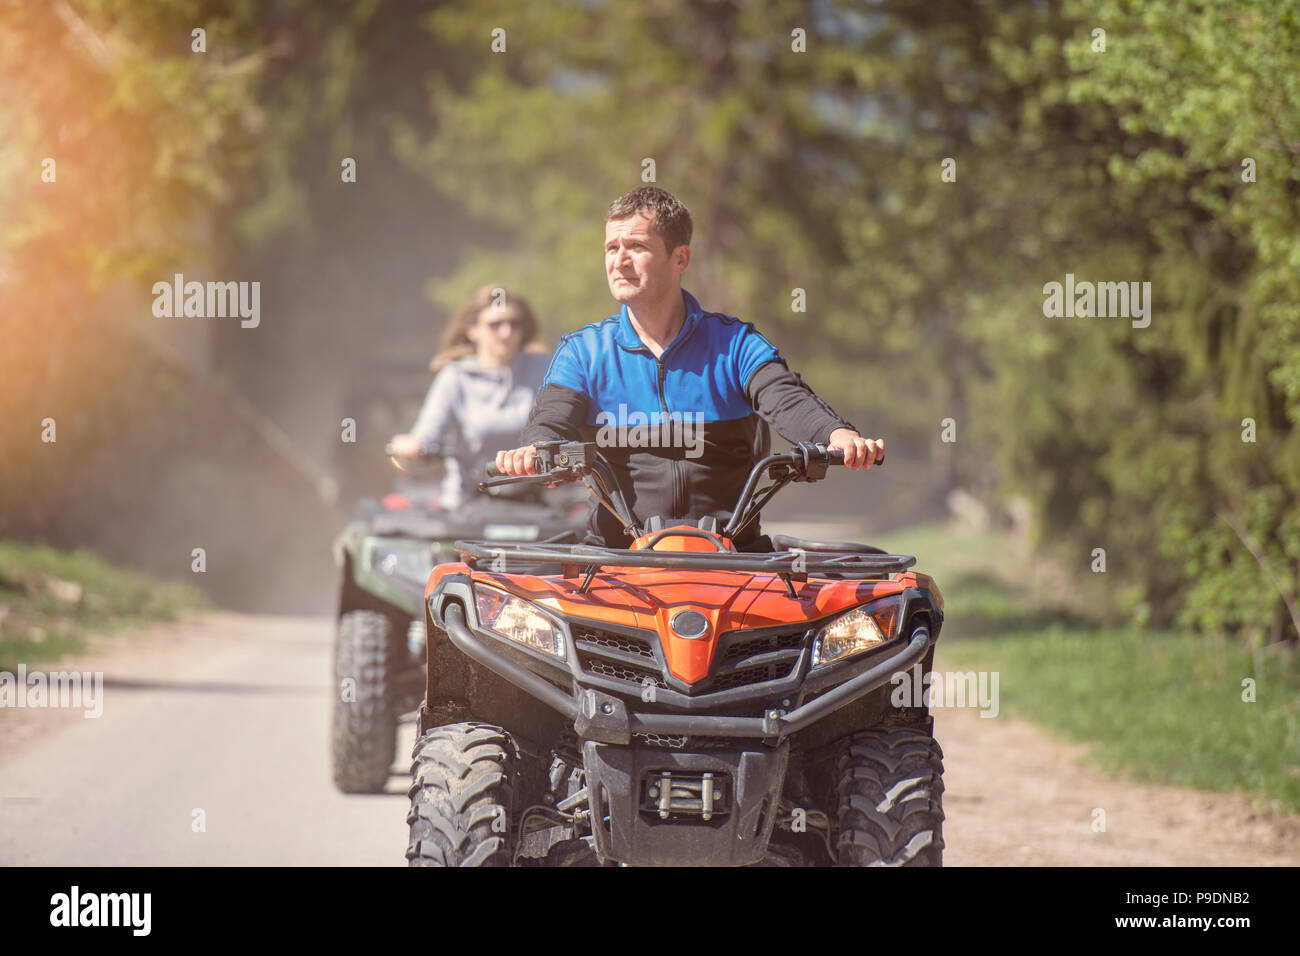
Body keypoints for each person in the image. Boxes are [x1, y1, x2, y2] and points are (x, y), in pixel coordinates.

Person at [495, 186, 883, 549]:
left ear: (680, 258)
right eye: (611, 247)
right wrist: (535, 449)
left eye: (636, 246)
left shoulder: (735, 344)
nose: (619, 260)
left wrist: (836, 435)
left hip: (730, 559)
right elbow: (551, 420)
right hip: (616, 563)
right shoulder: (583, 352)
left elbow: (786, 399)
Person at [390, 284, 550, 509]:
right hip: (468, 502)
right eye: (495, 324)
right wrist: (411, 445)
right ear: (473, 330)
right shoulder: (454, 377)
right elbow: (426, 435)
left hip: (533, 502)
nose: (506, 332)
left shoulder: (544, 369)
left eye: (514, 324)